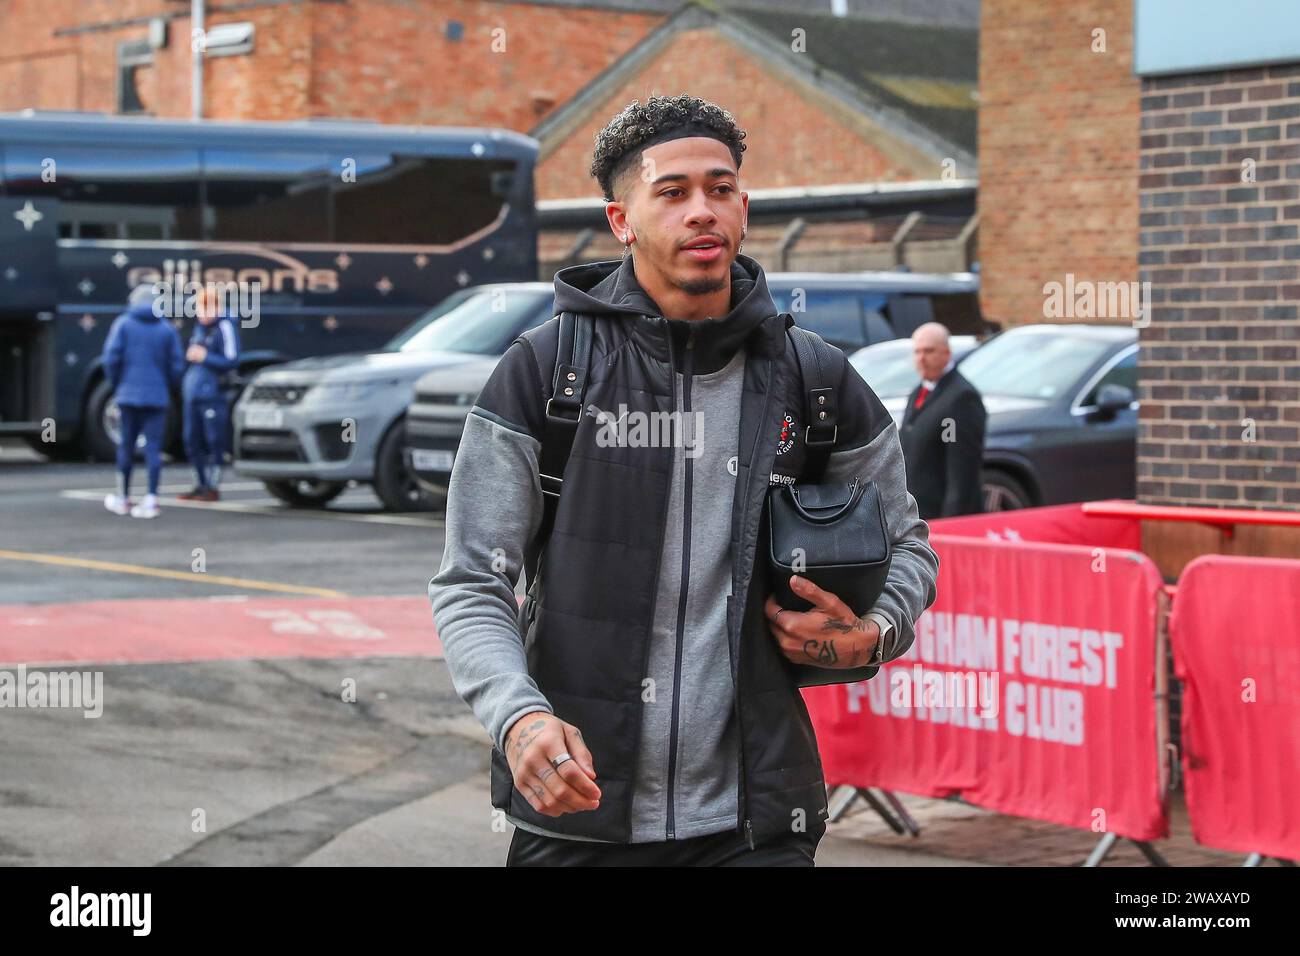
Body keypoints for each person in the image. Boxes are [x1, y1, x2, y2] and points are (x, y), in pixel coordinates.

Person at [428, 94, 939, 867]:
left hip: (758, 825)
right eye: (672, 192)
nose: (702, 209)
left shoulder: (817, 378)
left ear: (743, 206)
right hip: (580, 818)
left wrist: (873, 633)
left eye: (720, 188)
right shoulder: (545, 372)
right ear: (621, 220)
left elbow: (911, 547)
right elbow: (472, 580)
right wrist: (518, 717)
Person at [101, 283, 185, 519]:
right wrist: (168, 387)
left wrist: (118, 385)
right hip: (157, 396)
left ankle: (123, 497)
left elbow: (111, 359)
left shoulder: (123, 325)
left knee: (126, 445)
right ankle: (151, 498)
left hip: (128, 395)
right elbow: (176, 366)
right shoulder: (166, 329)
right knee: (153, 448)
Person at [898, 321, 987, 519]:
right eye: (917, 352)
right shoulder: (918, 392)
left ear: (946, 353)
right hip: (918, 513)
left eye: (929, 351)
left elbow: (961, 470)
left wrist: (951, 520)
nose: (921, 359)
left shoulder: (960, 399)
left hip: (943, 514)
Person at [179, 288, 240, 502]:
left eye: (207, 307)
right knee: (191, 439)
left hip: (212, 394)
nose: (202, 313)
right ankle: (200, 483)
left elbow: (232, 361)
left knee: (214, 440)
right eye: (199, 308)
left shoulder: (224, 326)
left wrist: (205, 357)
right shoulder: (199, 329)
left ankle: (212, 486)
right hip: (193, 393)